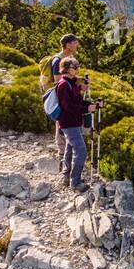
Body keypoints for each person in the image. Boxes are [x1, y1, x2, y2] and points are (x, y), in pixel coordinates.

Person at [55, 57, 99, 192]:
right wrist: (86, 109)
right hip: (69, 123)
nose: (77, 69)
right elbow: (68, 107)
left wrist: (92, 105)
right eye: (75, 67)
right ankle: (75, 182)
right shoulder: (63, 85)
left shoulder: (72, 83)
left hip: (74, 122)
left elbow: (77, 102)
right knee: (81, 151)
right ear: (67, 69)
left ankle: (66, 177)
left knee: (69, 150)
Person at [46, 34, 79, 156]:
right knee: (61, 119)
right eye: (75, 42)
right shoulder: (58, 60)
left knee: (66, 118)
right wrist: (77, 80)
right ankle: (61, 151)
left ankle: (67, 148)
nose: (77, 45)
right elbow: (58, 79)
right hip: (61, 93)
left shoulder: (69, 57)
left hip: (68, 92)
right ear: (68, 44)